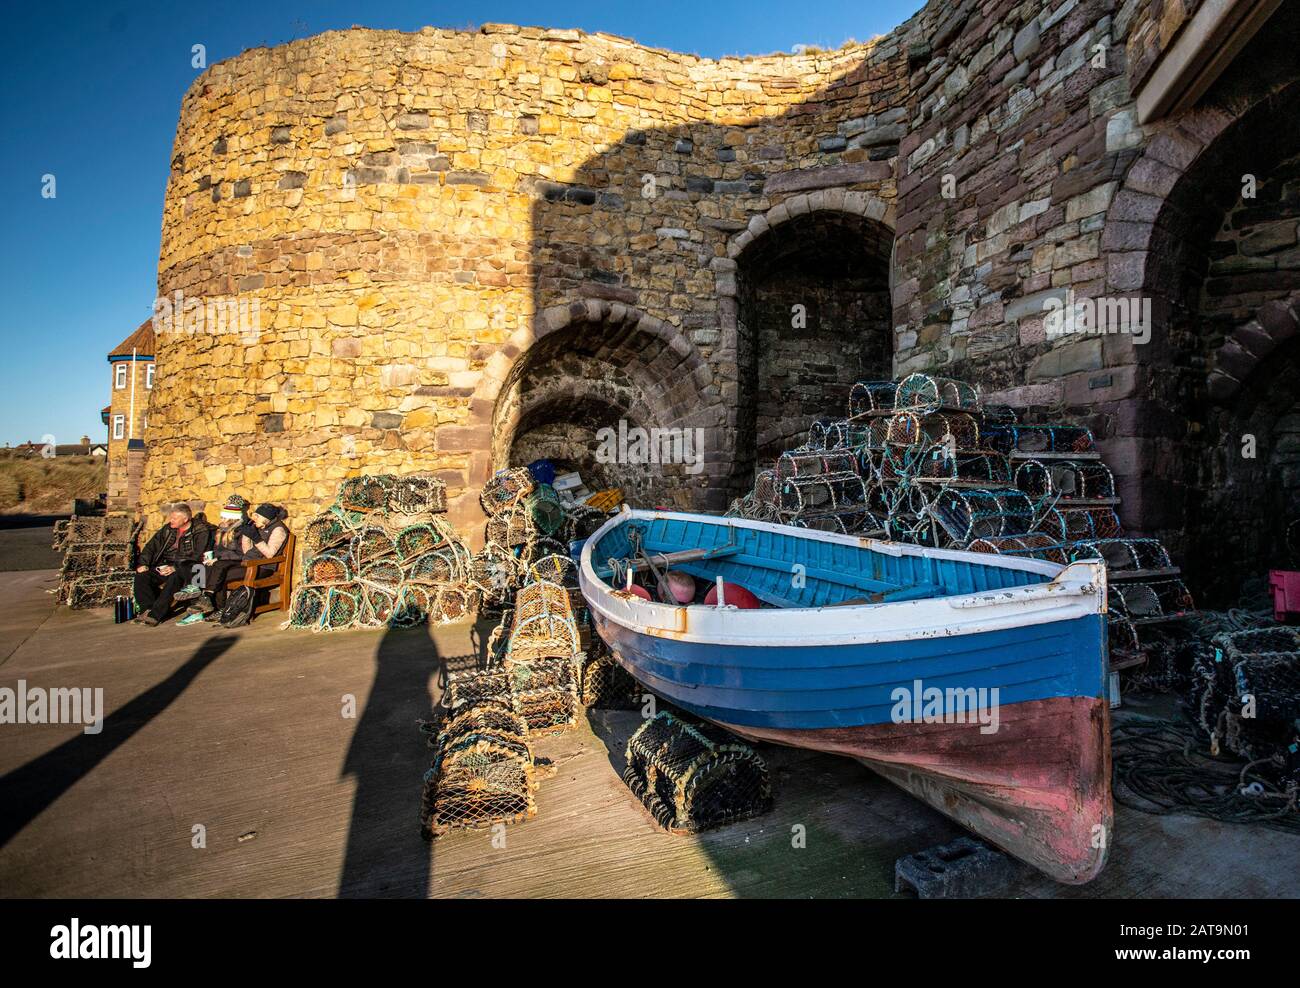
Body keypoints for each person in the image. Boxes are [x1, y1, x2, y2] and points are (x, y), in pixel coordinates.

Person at [174, 494, 250, 625]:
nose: (221, 519)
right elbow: (217, 549)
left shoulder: (242, 530)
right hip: (222, 561)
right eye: (222, 516)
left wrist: (218, 558)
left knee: (217, 570)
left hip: (236, 562)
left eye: (224, 517)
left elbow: (241, 553)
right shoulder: (221, 530)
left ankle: (209, 601)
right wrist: (212, 556)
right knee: (200, 566)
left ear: (232, 518)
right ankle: (197, 597)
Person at [132, 503, 213, 626]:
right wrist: (143, 563)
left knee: (174, 578)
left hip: (188, 567)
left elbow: (198, 556)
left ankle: (155, 615)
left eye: (174, 518)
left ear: (185, 519)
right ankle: (147, 610)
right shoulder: (168, 529)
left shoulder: (200, 531)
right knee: (142, 576)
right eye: (171, 517)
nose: (171, 520)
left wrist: (175, 567)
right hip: (165, 564)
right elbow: (151, 546)